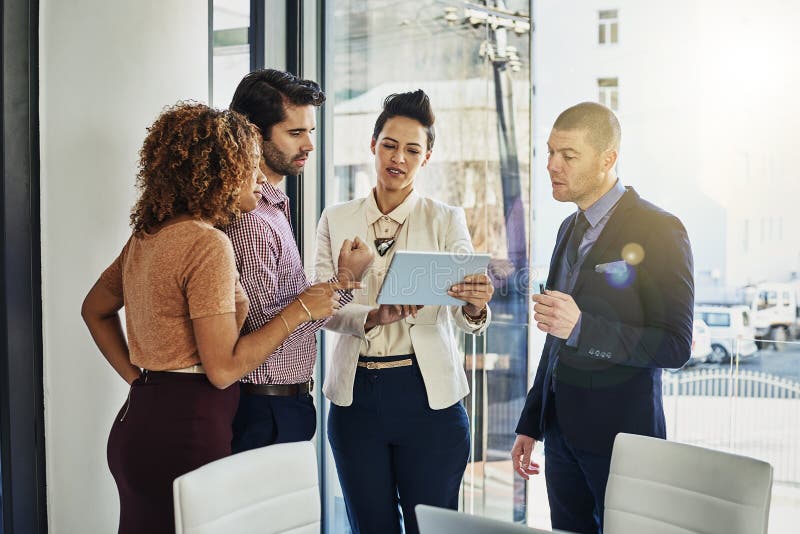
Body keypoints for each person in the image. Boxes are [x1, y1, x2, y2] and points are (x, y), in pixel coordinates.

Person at [81, 102, 353, 534]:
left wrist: (141, 381)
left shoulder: (147, 236)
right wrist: (301, 309)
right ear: (221, 172)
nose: (260, 177)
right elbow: (224, 369)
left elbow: (93, 310)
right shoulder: (207, 244)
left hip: (139, 420)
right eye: (250, 166)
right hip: (188, 429)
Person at [314, 89, 495, 534]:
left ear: (426, 157)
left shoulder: (445, 219)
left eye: (412, 150)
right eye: (390, 145)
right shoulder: (335, 218)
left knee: (431, 528)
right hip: (357, 398)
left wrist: (474, 304)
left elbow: (464, 314)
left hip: (429, 398)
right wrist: (371, 315)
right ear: (372, 145)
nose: (398, 158)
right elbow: (318, 310)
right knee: (370, 526)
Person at [511, 101, 694, 534]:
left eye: (568, 156)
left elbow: (675, 345)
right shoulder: (567, 229)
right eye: (550, 152)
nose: (552, 165)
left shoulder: (661, 230)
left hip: (623, 442)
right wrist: (532, 423)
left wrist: (583, 327)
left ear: (608, 159)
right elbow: (556, 336)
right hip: (560, 440)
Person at [222, 69, 373, 453]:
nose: (309, 145)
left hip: (278, 405)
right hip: (264, 408)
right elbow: (265, 326)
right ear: (254, 135)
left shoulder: (272, 206)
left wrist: (340, 285)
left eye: (311, 132)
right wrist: (343, 282)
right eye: (295, 133)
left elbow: (293, 312)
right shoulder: (251, 217)